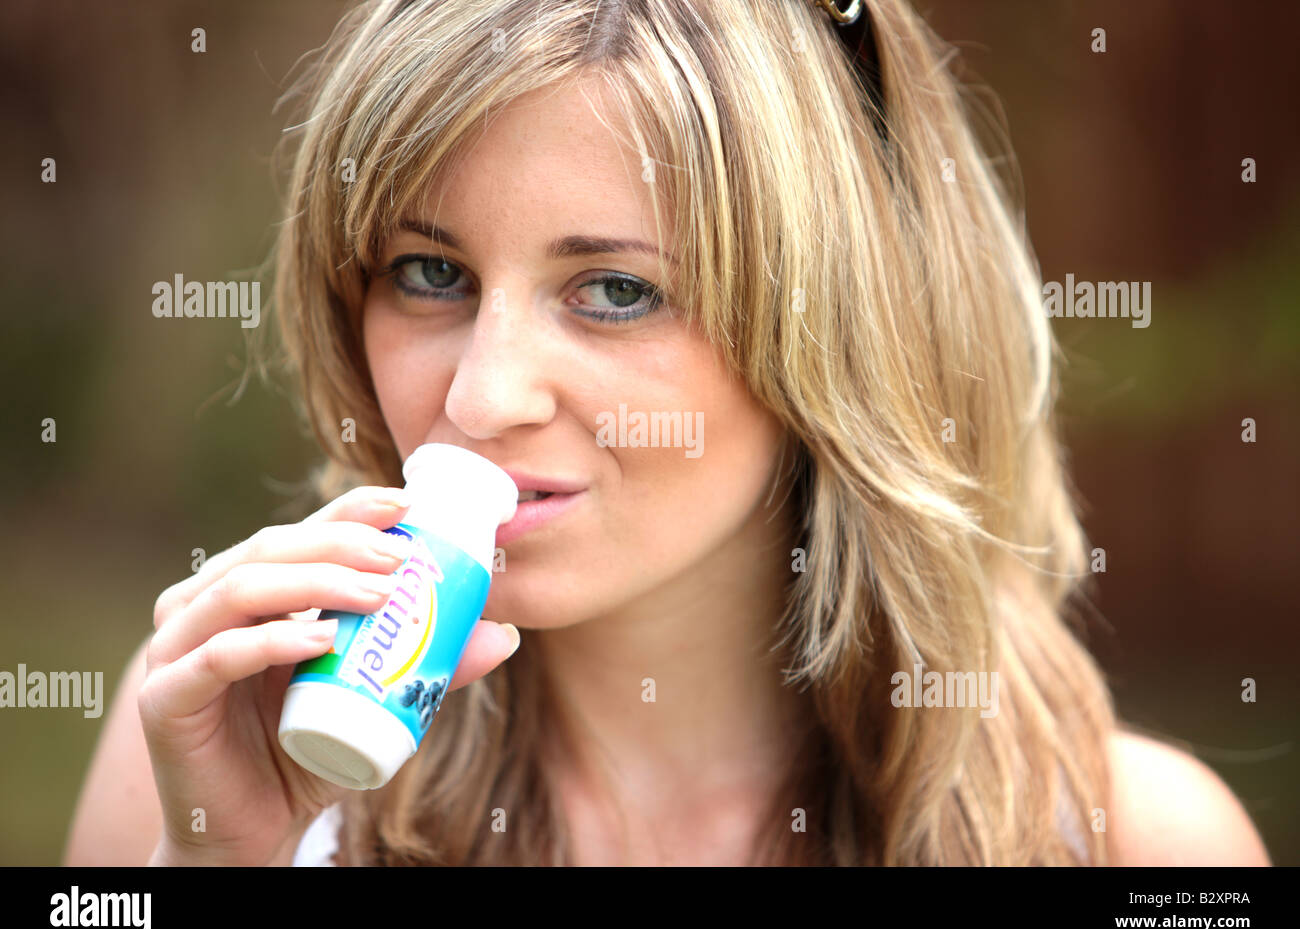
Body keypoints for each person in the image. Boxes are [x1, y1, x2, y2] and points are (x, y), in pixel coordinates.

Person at [66, 0, 1269, 866]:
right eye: (429, 270)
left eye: (616, 290)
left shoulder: (1130, 840)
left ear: (839, 326)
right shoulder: (215, 734)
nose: (483, 398)